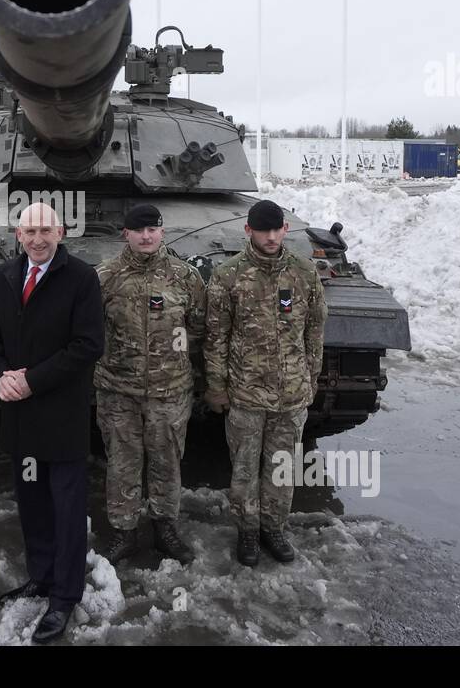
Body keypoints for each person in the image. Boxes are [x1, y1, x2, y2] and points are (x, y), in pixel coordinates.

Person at [0, 202, 103, 644]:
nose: (37, 239)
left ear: (61, 232)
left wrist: (32, 380)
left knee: (66, 508)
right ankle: (42, 576)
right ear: (17, 234)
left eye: (46, 230)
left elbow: (88, 345)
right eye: (29, 230)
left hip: (60, 413)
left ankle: (65, 596)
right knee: (32, 502)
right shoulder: (9, 276)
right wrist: (1, 377)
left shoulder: (82, 278)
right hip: (19, 411)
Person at [203, 199, 327, 567]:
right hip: (245, 392)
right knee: (244, 468)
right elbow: (216, 336)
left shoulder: (305, 273)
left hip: (291, 393)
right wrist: (216, 386)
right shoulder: (228, 275)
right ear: (249, 231)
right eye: (263, 230)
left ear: (285, 230)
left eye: (276, 229)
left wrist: (312, 378)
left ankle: (274, 528)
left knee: (282, 465)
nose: (270, 237)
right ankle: (247, 530)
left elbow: (314, 331)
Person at [94, 204, 206, 566]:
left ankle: (165, 528)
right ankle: (124, 531)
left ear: (162, 232)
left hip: (169, 390)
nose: (146, 236)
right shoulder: (105, 278)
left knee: (167, 461)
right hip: (118, 390)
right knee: (122, 462)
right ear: (124, 233)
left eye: (152, 229)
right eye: (138, 230)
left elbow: (199, 327)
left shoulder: (185, 277)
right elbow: (87, 331)